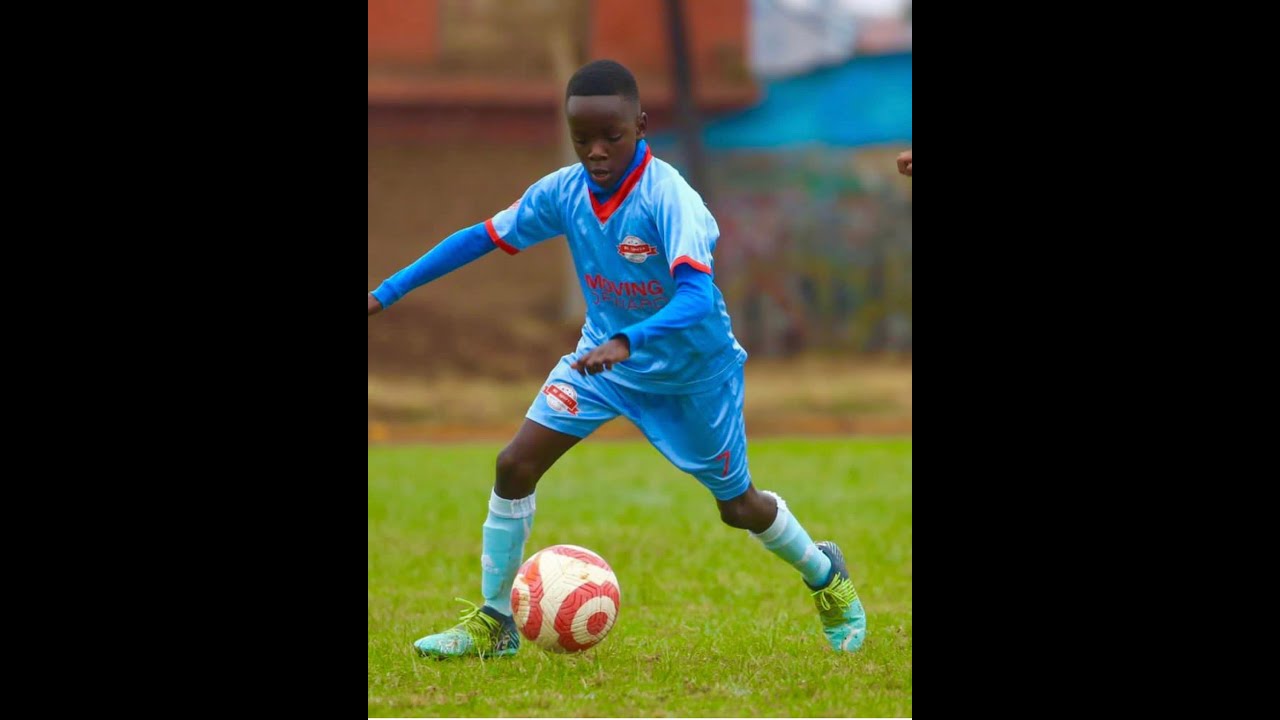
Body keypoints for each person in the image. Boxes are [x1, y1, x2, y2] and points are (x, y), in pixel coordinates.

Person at [368, 60, 866, 658]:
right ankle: (496, 622)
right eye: (582, 139)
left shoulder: (669, 197)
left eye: (612, 136)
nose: (597, 152)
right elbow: (481, 237)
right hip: (600, 365)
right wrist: (386, 292)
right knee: (515, 465)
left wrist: (629, 340)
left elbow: (696, 295)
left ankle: (824, 573)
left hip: (692, 375)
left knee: (739, 507)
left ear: (641, 126)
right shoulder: (564, 192)